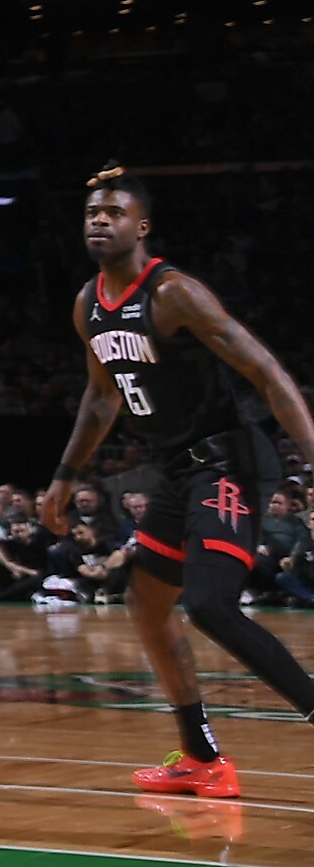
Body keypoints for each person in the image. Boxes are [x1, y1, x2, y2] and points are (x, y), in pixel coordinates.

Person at [44, 165, 314, 801]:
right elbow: (101, 397)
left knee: (211, 604)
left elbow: (270, 374)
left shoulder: (172, 293)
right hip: (179, 471)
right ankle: (202, 759)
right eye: (91, 213)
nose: (99, 220)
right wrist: (63, 476)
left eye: (113, 212)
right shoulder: (88, 305)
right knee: (146, 601)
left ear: (142, 226)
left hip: (229, 461)